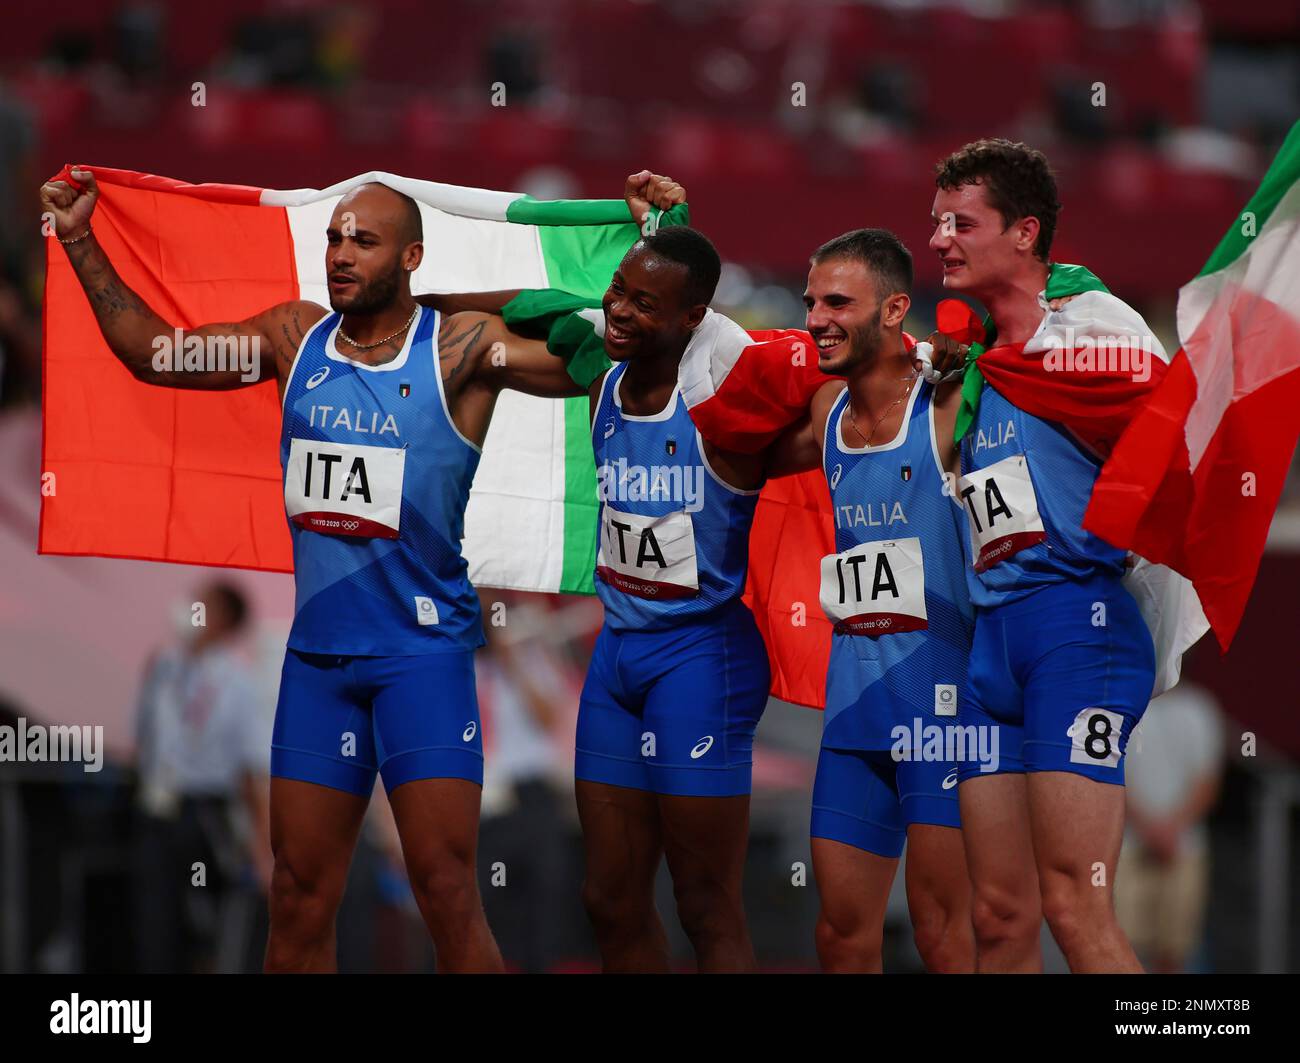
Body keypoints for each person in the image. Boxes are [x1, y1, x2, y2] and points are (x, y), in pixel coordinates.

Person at [39, 166, 656, 973]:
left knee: (444, 888)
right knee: (296, 891)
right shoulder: (292, 339)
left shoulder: (462, 349)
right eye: (335, 237)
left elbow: (603, 367)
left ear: (412, 259)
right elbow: (156, 354)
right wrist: (79, 237)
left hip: (422, 663)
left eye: (364, 241)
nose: (340, 252)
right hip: (319, 663)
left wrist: (648, 247)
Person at [927, 138, 1160, 972]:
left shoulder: (1095, 335)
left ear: (1024, 234)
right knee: (999, 913)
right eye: (936, 223)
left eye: (961, 222)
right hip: (991, 643)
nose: (940, 239)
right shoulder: (977, 365)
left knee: (1074, 905)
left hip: (1077, 633)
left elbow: (1171, 414)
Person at [770, 230, 975, 972]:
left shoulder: (949, 404)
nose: (816, 317)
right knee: (841, 934)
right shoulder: (826, 411)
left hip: (947, 715)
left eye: (837, 302)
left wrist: (957, 357)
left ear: (894, 310)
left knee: (946, 932)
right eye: (810, 302)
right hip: (856, 709)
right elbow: (729, 430)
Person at [132, 581, 270, 973]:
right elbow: (145, 737)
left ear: (225, 620)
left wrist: (261, 848)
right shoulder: (164, 666)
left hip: (203, 817)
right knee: (154, 922)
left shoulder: (237, 682)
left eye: (203, 605)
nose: (193, 610)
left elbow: (252, 770)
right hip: (157, 813)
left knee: (201, 916)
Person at [1114, 683, 1226, 973]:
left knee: (1175, 953)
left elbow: (1208, 782)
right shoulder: (1120, 704)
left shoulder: (1200, 709)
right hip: (1127, 849)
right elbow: (1111, 774)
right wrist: (1150, 828)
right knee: (1120, 945)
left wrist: (1171, 829)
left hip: (1185, 848)